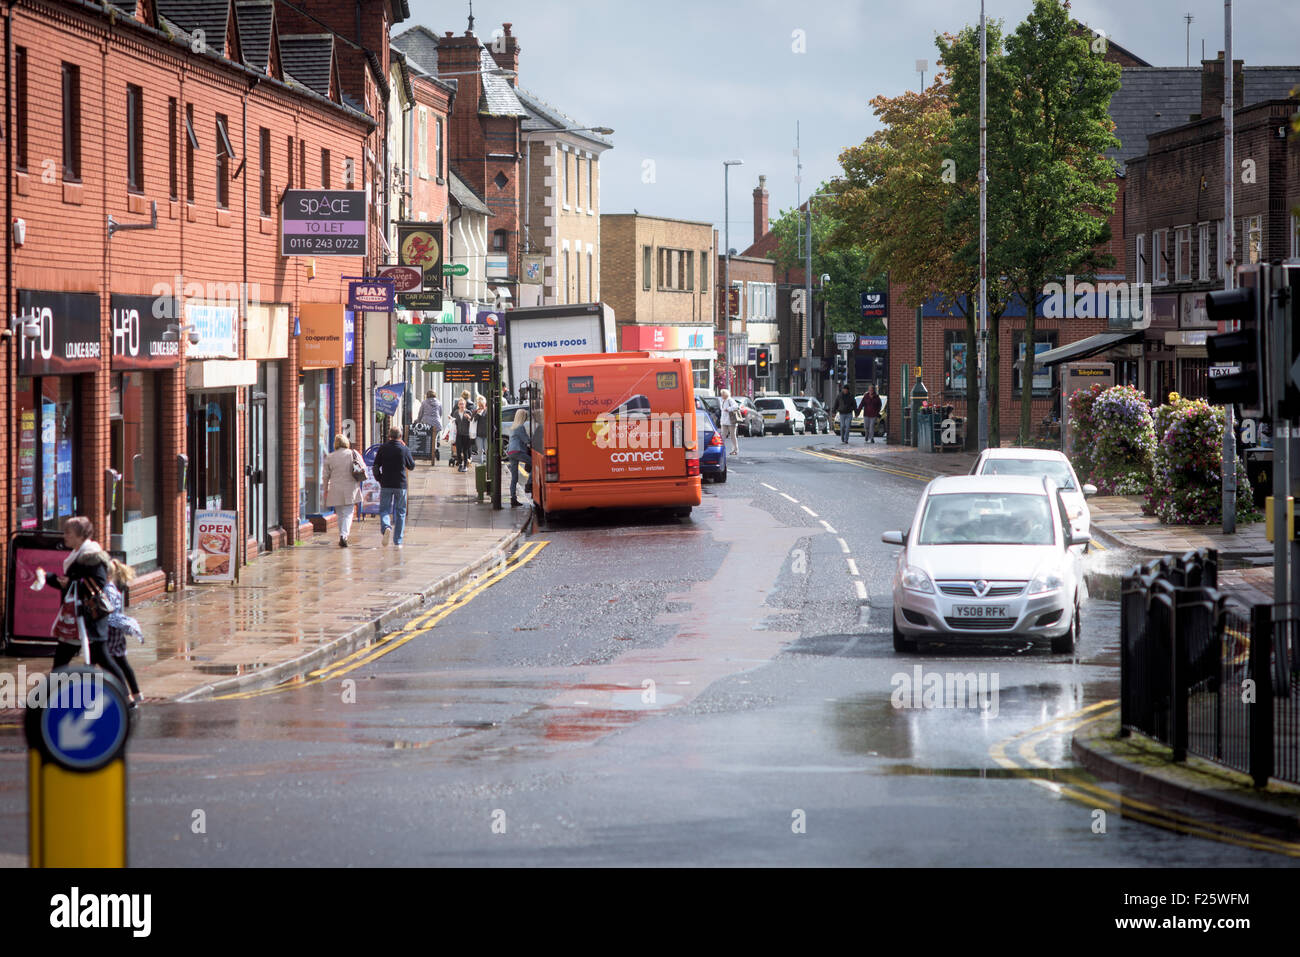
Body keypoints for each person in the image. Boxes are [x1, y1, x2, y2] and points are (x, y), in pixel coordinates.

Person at [38, 516, 129, 689]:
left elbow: (99, 583)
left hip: (89, 619)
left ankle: (126, 697)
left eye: (69, 533)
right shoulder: (76, 555)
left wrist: (71, 583)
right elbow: (68, 584)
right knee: (61, 659)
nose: (65, 536)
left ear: (81, 536)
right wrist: (47, 577)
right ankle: (49, 697)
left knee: (103, 660)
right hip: (75, 619)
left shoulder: (92, 556)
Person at [104, 561, 144, 708]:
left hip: (109, 629)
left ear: (107, 574)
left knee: (110, 665)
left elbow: (107, 611)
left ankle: (127, 698)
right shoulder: (112, 587)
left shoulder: (106, 589)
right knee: (121, 662)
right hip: (117, 628)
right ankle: (136, 693)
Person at [372, 426, 415, 547]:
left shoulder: (383, 448)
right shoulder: (404, 449)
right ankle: (398, 541)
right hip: (400, 484)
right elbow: (411, 466)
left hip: (386, 483)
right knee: (400, 512)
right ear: (400, 436)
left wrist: (379, 478)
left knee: (384, 509)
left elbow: (375, 466)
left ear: (389, 436)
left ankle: (386, 526)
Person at [322, 434, 365, 547]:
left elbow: (325, 476)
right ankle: (343, 535)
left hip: (335, 488)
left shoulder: (330, 457)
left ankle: (342, 535)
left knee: (340, 513)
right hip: (350, 487)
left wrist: (325, 490)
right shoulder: (353, 454)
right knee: (348, 513)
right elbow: (363, 467)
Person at [506, 409, 533, 507]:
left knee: (514, 477)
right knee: (535, 464)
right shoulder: (520, 427)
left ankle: (513, 499)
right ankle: (529, 484)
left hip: (511, 452)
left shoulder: (513, 427)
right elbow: (527, 440)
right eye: (525, 416)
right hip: (517, 451)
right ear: (523, 417)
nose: (526, 418)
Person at [417, 390, 443, 464]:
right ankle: (435, 450)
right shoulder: (439, 403)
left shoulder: (424, 403)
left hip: (426, 423)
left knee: (426, 438)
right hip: (436, 423)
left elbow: (420, 413)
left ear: (427, 395)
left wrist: (419, 421)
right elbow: (440, 413)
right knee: (434, 438)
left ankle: (427, 455)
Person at [451, 398, 475, 473]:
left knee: (465, 450)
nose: (461, 405)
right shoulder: (456, 412)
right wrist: (451, 419)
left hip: (466, 434)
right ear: (458, 405)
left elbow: (472, 421)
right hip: (459, 434)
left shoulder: (468, 412)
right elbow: (454, 422)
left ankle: (465, 466)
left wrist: (469, 418)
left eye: (463, 404)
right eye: (460, 404)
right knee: (458, 450)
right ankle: (460, 464)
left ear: (465, 405)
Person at [719, 389, 743, 456]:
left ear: (726, 394)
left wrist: (729, 409)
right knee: (723, 436)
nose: (722, 395)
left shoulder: (730, 400)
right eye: (721, 394)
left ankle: (735, 450)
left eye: (723, 394)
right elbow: (722, 411)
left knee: (732, 436)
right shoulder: (723, 401)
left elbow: (736, 406)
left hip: (731, 421)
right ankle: (721, 449)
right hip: (724, 421)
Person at [474, 394, 492, 464]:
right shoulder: (477, 411)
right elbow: (474, 420)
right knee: (480, 450)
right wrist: (478, 414)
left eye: (482, 405)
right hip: (479, 434)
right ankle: (481, 465)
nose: (481, 406)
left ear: (485, 404)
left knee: (487, 450)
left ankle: (488, 464)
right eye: (479, 405)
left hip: (487, 434)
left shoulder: (488, 411)